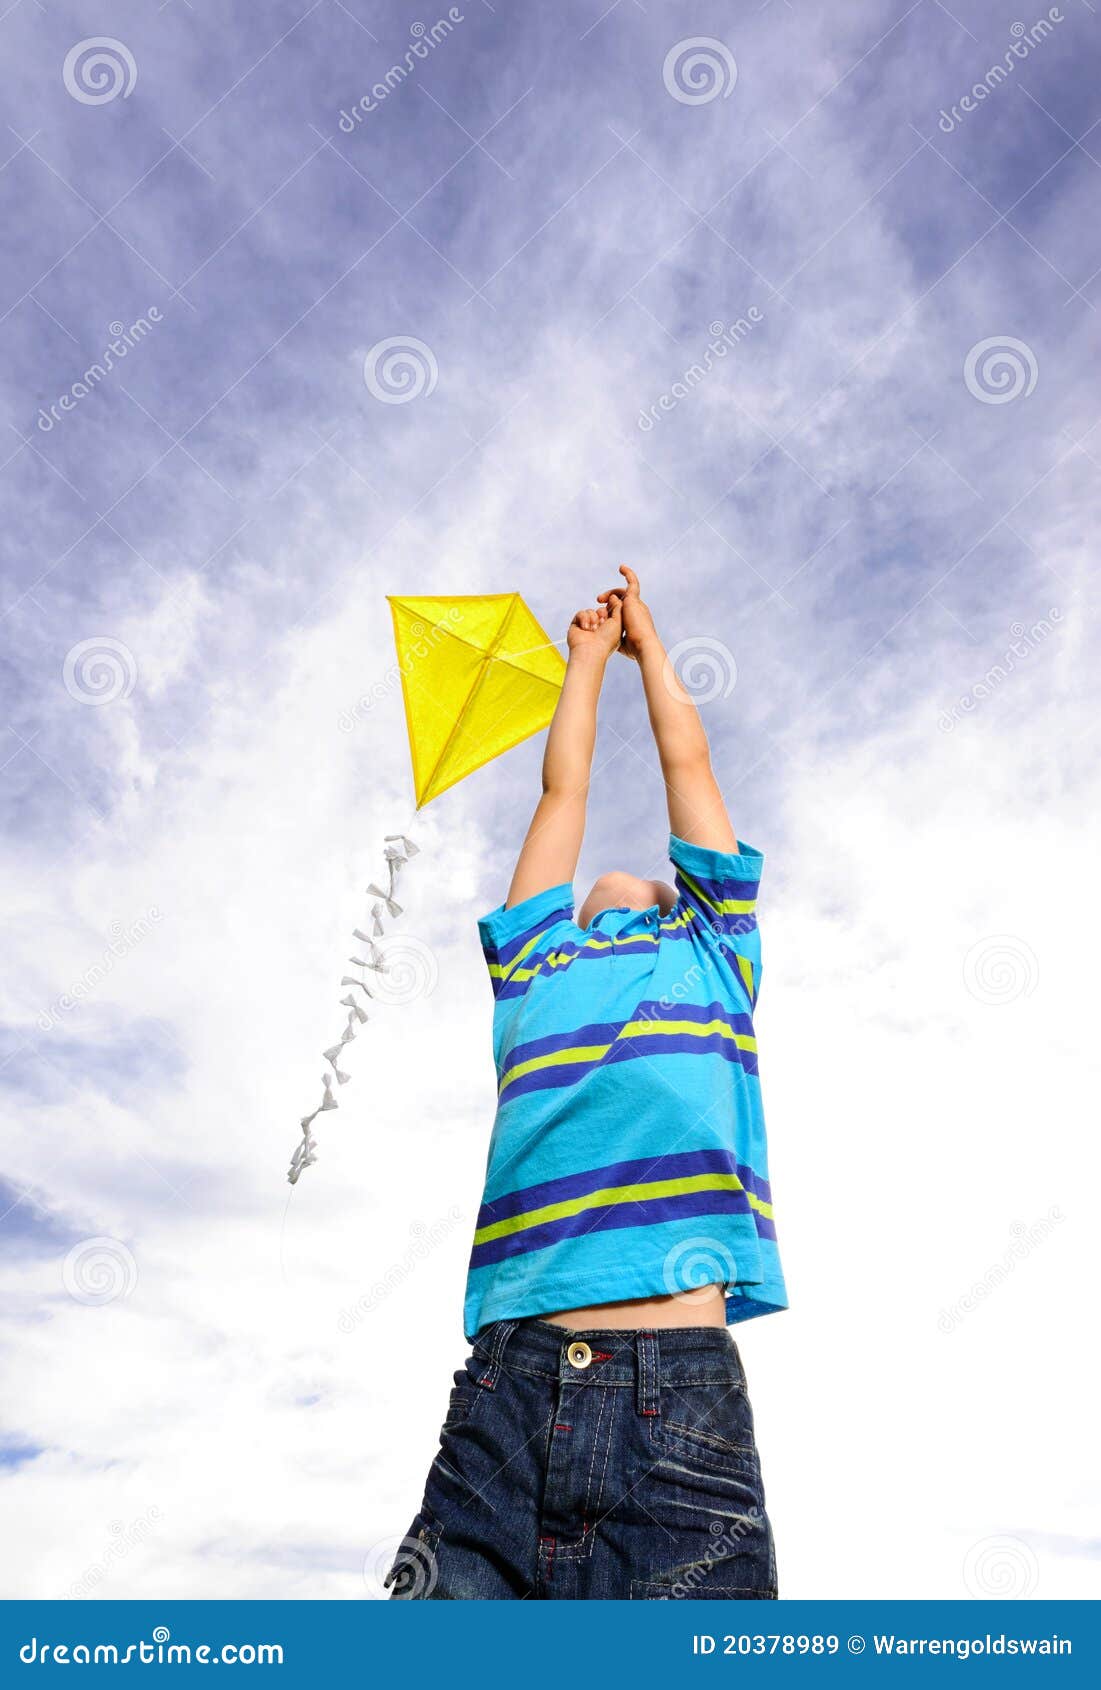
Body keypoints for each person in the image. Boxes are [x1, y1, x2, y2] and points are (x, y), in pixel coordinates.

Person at [387, 567, 787, 1600]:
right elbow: (560, 792)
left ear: (680, 904)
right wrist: (584, 667)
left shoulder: (712, 959)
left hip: (678, 1409)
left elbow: (684, 758)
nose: (618, 873)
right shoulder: (534, 968)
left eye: (655, 883)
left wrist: (653, 652)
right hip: (508, 1397)